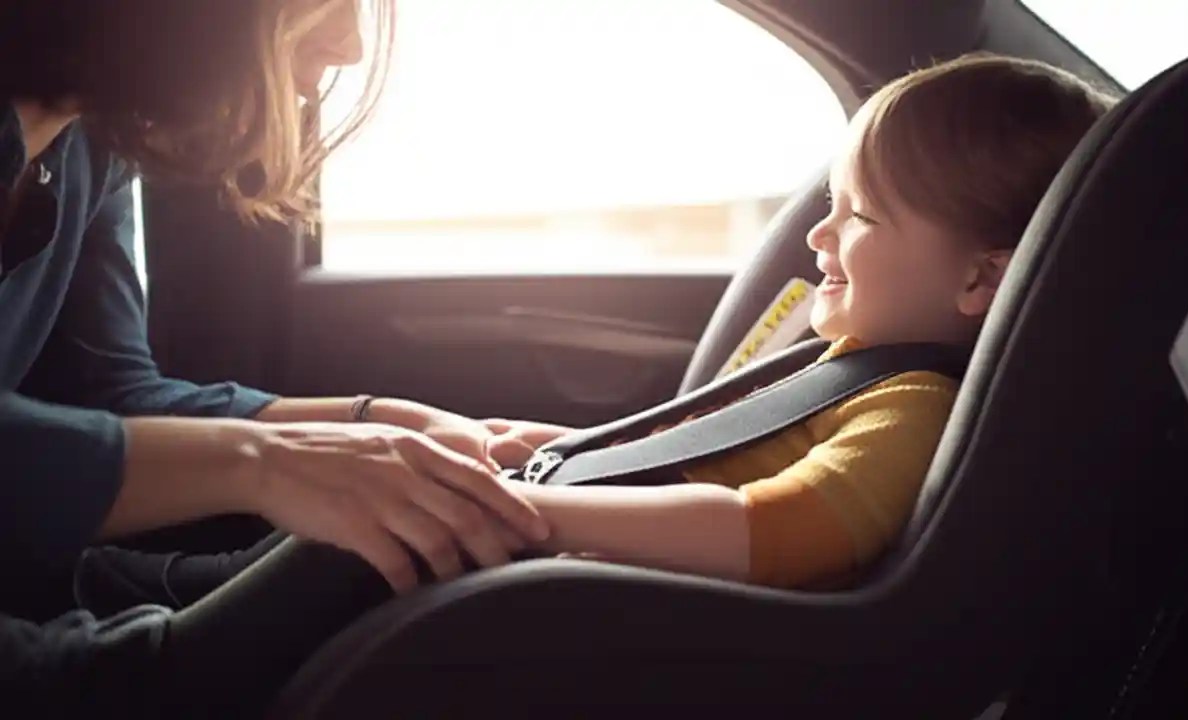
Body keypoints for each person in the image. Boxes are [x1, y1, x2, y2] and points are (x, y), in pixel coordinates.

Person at [81, 52, 1117, 625]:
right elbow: (698, 458)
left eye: (860, 216)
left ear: (982, 275)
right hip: (548, 554)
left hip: (578, 613)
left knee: (328, 568)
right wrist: (558, 458)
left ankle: (137, 622)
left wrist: (536, 507)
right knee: (318, 543)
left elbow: (776, 529)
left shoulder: (910, 406)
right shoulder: (838, 369)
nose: (816, 234)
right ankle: (135, 597)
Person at [1, 1, 557, 716]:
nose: (351, 44)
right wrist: (263, 463)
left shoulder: (91, 142)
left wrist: (381, 427)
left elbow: (103, 394)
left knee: (361, 573)